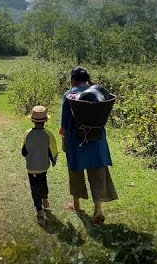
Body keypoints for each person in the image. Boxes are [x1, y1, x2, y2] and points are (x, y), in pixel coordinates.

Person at [60, 66, 117, 223]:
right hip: (97, 142)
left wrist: (64, 140)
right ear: (86, 79)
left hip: (76, 141)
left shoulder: (69, 95)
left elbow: (64, 125)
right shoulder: (98, 93)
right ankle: (98, 209)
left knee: (75, 171)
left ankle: (76, 203)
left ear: (72, 79)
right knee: (97, 173)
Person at [22, 105, 59, 218]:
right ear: (46, 121)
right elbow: (53, 151)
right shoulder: (49, 134)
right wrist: (53, 161)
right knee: (43, 182)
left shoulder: (27, 133)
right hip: (43, 166)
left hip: (31, 167)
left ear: (32, 120)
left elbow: (24, 152)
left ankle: (39, 209)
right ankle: (45, 199)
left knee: (34, 188)